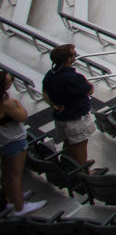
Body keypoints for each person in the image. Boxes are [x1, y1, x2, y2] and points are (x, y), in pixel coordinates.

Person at [42, 44, 101, 174]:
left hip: (61, 117)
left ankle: (73, 168)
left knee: (70, 143)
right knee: (80, 144)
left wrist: (53, 105)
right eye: (73, 54)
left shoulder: (51, 74)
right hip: (75, 118)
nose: (75, 55)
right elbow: (89, 90)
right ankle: (83, 174)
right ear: (68, 59)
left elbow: (44, 92)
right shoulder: (72, 77)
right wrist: (89, 85)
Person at [1, 69, 44, 216]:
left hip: (4, 141)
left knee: (7, 172)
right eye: (9, 80)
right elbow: (23, 116)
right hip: (13, 141)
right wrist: (17, 103)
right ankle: (20, 206)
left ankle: (12, 198)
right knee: (15, 174)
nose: (11, 82)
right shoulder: (7, 103)